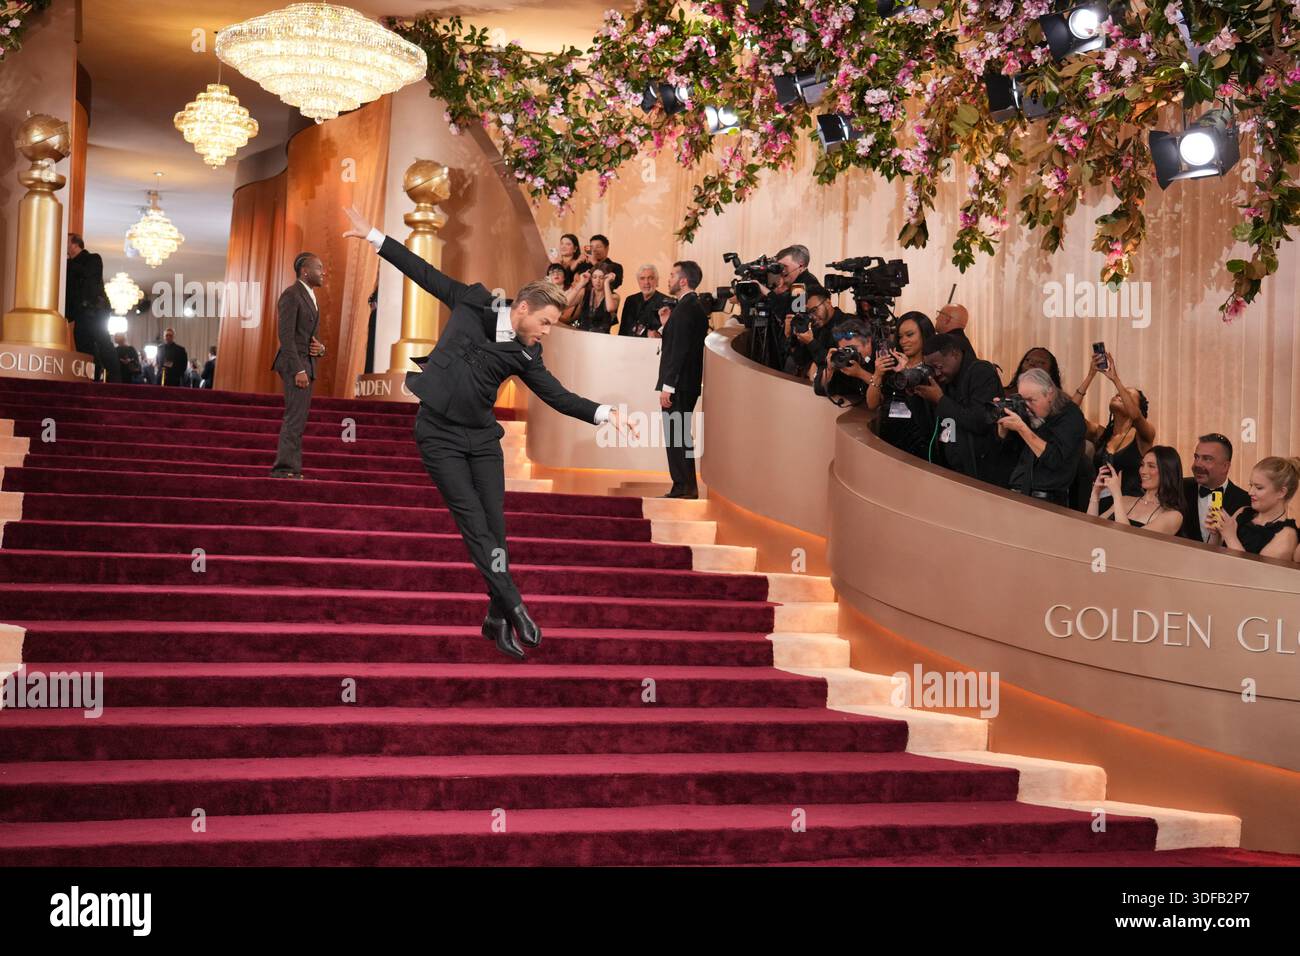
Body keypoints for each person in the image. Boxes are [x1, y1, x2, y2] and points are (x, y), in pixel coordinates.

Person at [343, 205, 638, 661]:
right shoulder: (473, 301)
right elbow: (423, 272)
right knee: (475, 527)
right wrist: (375, 237)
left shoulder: (527, 355)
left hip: (482, 440)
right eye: (544, 323)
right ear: (522, 308)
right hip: (438, 435)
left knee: (496, 533)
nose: (545, 333)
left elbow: (557, 396)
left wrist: (603, 412)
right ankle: (515, 606)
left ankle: (494, 619)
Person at [269, 252, 327, 478]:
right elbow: (285, 336)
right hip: (296, 365)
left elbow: (308, 337)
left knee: (298, 418)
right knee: (294, 417)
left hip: (307, 362)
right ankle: (284, 469)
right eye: (319, 267)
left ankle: (292, 468)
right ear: (305, 270)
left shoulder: (310, 295)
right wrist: (299, 370)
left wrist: (320, 349)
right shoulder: (291, 295)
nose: (323, 272)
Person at [655, 260, 709, 499]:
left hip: (680, 384)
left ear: (683, 280)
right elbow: (677, 342)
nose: (669, 279)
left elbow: (679, 351)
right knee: (679, 435)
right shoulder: (688, 307)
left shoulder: (687, 308)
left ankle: (683, 486)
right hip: (685, 383)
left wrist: (668, 386)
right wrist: (667, 325)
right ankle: (685, 486)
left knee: (677, 436)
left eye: (672, 275)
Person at [917, 332, 1003, 481]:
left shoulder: (981, 372)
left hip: (979, 471)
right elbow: (929, 425)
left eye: (939, 366)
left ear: (955, 354)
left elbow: (980, 421)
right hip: (950, 467)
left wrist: (940, 399)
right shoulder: (944, 379)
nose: (936, 373)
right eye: (931, 369)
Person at [1073, 348, 1155, 500]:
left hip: (1128, 505)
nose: (1119, 393)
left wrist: (1116, 379)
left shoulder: (1143, 435)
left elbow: (1136, 417)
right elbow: (1070, 416)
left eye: (1126, 394)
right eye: (1118, 392)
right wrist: (1091, 375)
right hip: (1098, 504)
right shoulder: (1101, 433)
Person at [998, 367, 1087, 506]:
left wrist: (1022, 428)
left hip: (1046, 501)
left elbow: (1055, 459)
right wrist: (1002, 423)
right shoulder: (1029, 415)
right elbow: (1008, 454)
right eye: (1023, 400)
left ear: (1050, 394)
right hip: (1016, 493)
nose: (1026, 406)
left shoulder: (1070, 416)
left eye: (1031, 400)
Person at [867, 311, 937, 461]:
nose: (904, 341)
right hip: (887, 435)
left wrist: (906, 373)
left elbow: (929, 409)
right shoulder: (892, 364)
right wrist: (878, 373)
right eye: (900, 336)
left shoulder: (933, 368)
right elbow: (872, 403)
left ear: (924, 334)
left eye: (910, 335)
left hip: (918, 441)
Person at [1206, 457, 1300, 559]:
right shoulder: (1243, 512)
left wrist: (1230, 537)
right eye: (1251, 485)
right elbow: (1213, 556)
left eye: (1259, 488)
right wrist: (1215, 533)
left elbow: (1256, 573)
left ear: (1282, 492)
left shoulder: (1286, 536)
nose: (1250, 492)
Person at [1087, 446, 1185, 535]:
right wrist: (1095, 494)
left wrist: (1117, 495)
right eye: (1142, 465)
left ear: (1167, 472)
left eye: (1151, 466)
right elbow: (1090, 529)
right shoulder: (1125, 500)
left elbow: (1131, 542)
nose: (1143, 471)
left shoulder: (1173, 516)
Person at [64, 234, 120, 382]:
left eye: (66, 241)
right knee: (83, 347)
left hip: (96, 310)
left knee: (103, 342)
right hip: (80, 313)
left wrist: (66, 264)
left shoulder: (93, 258)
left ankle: (115, 379)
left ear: (75, 244)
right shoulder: (68, 265)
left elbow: (88, 275)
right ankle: (91, 379)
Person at [1179, 433, 1251, 542]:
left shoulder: (1245, 501)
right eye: (1196, 457)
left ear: (1225, 466)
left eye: (1207, 459)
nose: (1197, 464)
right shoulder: (1179, 488)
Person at [813, 318, 873, 405]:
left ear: (868, 342)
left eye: (852, 348)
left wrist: (861, 374)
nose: (847, 353)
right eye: (844, 349)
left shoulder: (883, 355)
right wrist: (829, 369)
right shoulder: (841, 359)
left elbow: (885, 390)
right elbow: (819, 390)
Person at [618, 265, 672, 337]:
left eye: (651, 278)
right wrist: (646, 332)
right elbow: (624, 328)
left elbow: (669, 331)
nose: (646, 282)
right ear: (638, 281)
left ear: (657, 281)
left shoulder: (667, 302)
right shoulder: (630, 300)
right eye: (642, 278)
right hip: (630, 344)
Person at [564, 267, 619, 333]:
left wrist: (606, 283)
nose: (597, 281)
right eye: (594, 277)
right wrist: (581, 283)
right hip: (582, 336)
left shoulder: (614, 296)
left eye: (601, 278)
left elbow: (610, 308)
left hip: (602, 338)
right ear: (591, 279)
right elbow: (564, 304)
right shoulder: (584, 292)